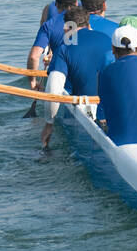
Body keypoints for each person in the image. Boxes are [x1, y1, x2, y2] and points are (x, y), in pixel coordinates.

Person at [40, 8, 114, 147]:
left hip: (86, 107)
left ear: (67, 28)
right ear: (88, 24)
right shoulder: (108, 39)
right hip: (113, 105)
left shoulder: (65, 47)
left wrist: (49, 124)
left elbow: (54, 90)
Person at [27, 0, 78, 81]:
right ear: (76, 2)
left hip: (59, 75)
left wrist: (32, 82)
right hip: (84, 77)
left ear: (56, 4)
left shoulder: (49, 25)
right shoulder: (86, 20)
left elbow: (34, 57)